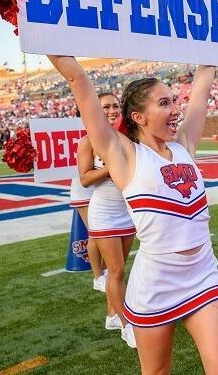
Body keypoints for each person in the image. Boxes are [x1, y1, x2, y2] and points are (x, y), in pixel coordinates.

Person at [10, 0, 218, 373]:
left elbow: (201, 89)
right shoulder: (123, 155)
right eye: (164, 103)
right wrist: (32, 19)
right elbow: (79, 80)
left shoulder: (184, 145)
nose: (175, 108)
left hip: (203, 275)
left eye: (173, 101)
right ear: (138, 117)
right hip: (156, 283)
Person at [77, 93, 138, 348]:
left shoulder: (129, 137)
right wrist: (110, 166)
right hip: (103, 212)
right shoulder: (88, 141)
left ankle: (112, 316)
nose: (111, 110)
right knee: (117, 271)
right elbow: (85, 179)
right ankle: (127, 326)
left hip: (127, 210)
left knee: (119, 269)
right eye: (105, 107)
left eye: (115, 106)